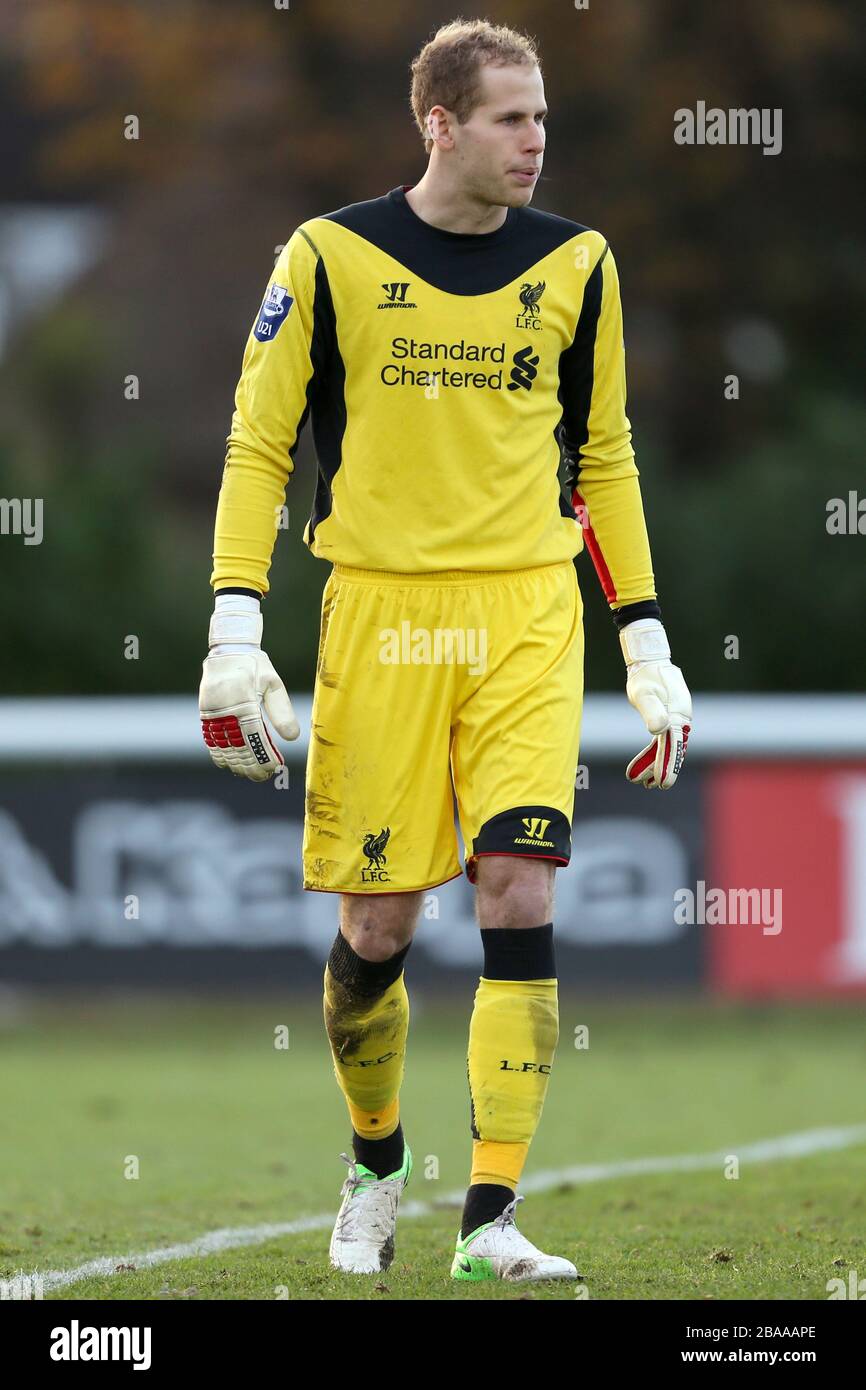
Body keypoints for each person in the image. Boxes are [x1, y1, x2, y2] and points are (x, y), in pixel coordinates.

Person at [199, 17, 692, 1284]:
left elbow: (605, 455)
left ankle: (489, 1218)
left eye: (542, 118)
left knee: (518, 887)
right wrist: (234, 622)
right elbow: (259, 447)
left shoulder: (578, 264)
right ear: (439, 123)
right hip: (378, 613)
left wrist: (642, 636)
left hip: (528, 614)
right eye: (511, 118)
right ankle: (373, 1168)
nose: (538, 140)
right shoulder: (325, 257)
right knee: (378, 923)